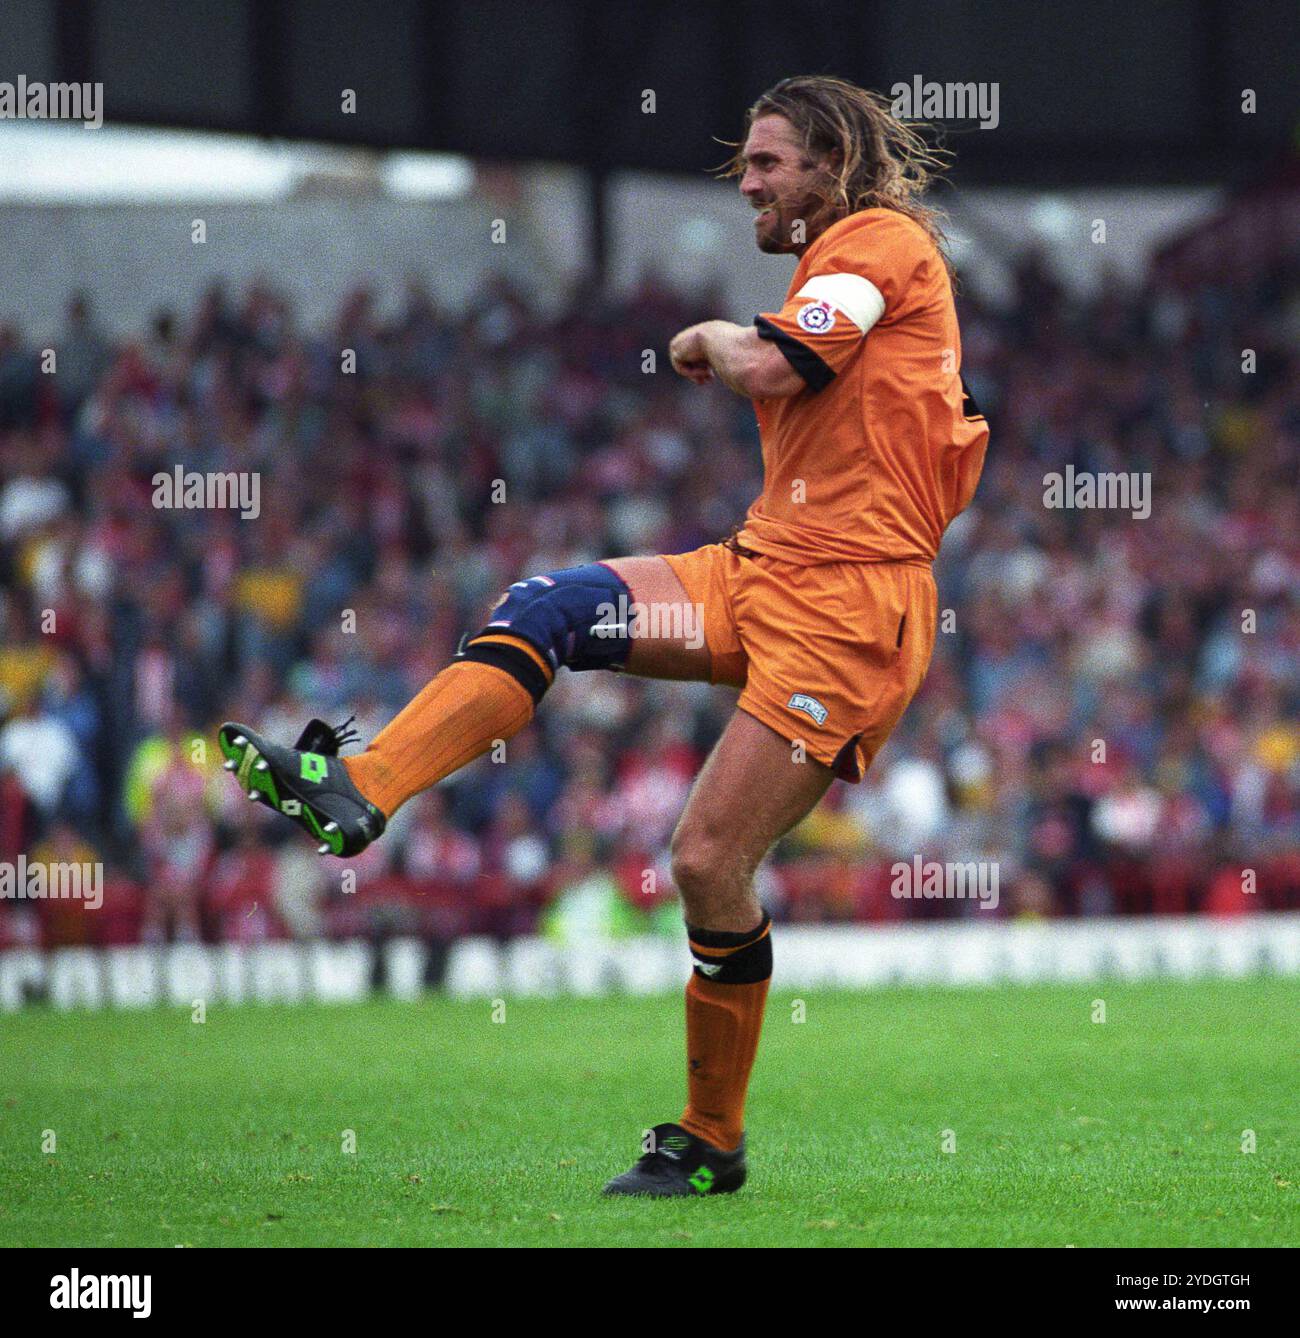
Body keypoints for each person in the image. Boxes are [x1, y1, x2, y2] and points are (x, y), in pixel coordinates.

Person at [219, 75, 989, 1197]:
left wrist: (715, 337)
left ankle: (710, 1138)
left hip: (851, 610)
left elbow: (778, 363)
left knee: (706, 861)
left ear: (826, 166)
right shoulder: (835, 261)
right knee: (551, 608)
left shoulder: (879, 243)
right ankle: (365, 782)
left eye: (767, 162)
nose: (747, 182)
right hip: (763, 570)